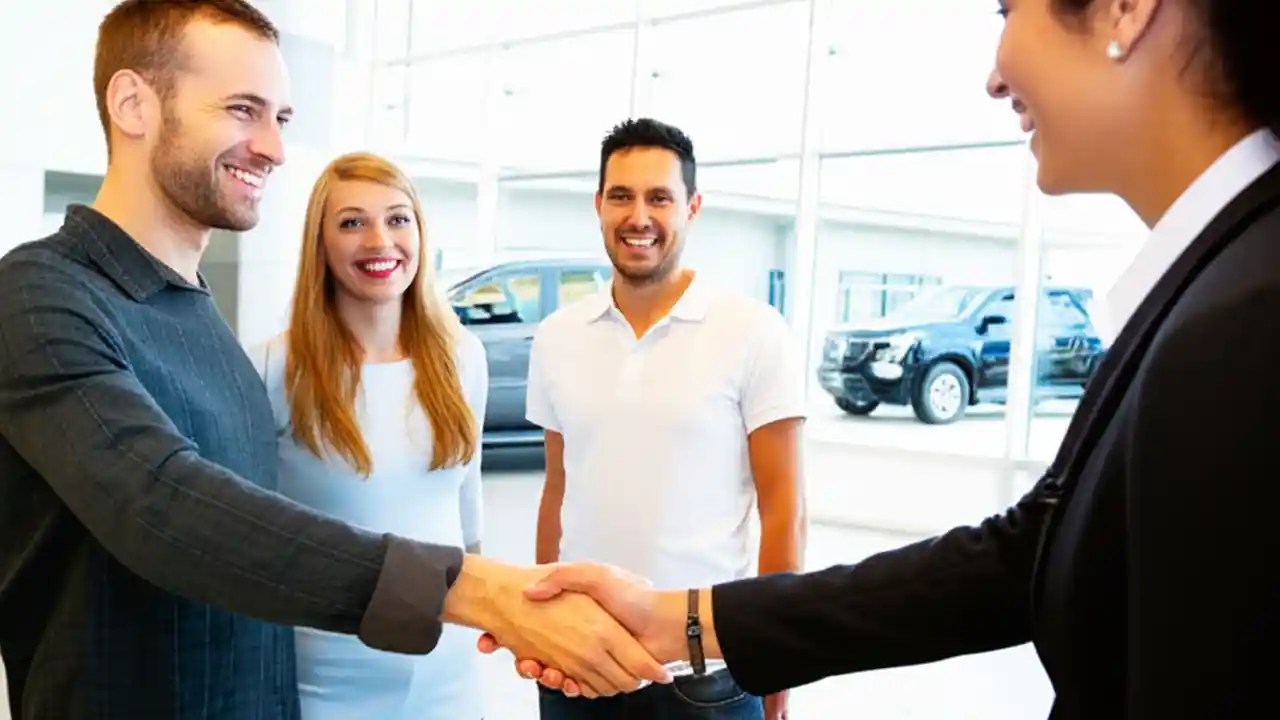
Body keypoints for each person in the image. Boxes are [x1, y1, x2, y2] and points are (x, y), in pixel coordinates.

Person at [485, 0, 1280, 717]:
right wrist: (679, 619)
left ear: (1124, 10)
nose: (995, 76)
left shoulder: (1246, 314)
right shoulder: (1210, 288)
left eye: (1008, 10)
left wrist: (723, 649)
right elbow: (1021, 557)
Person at [0, 2, 667, 718]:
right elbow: (165, 507)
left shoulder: (198, 316)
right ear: (133, 104)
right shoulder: (40, 296)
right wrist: (484, 592)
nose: (274, 149)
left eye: (280, 119)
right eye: (242, 110)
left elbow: (259, 554)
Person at [524, 117, 807, 720]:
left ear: (692, 207)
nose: (639, 217)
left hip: (704, 673)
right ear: (599, 205)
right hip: (580, 662)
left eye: (660, 197)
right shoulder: (556, 336)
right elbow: (558, 490)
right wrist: (539, 619)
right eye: (621, 196)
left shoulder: (753, 331)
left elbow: (785, 510)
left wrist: (779, 654)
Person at [247, 152, 488, 719]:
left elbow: (467, 516)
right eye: (352, 222)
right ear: (321, 245)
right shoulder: (273, 369)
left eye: (398, 219)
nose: (381, 240)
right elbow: (250, 537)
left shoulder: (462, 359)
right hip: (323, 681)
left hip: (447, 675)